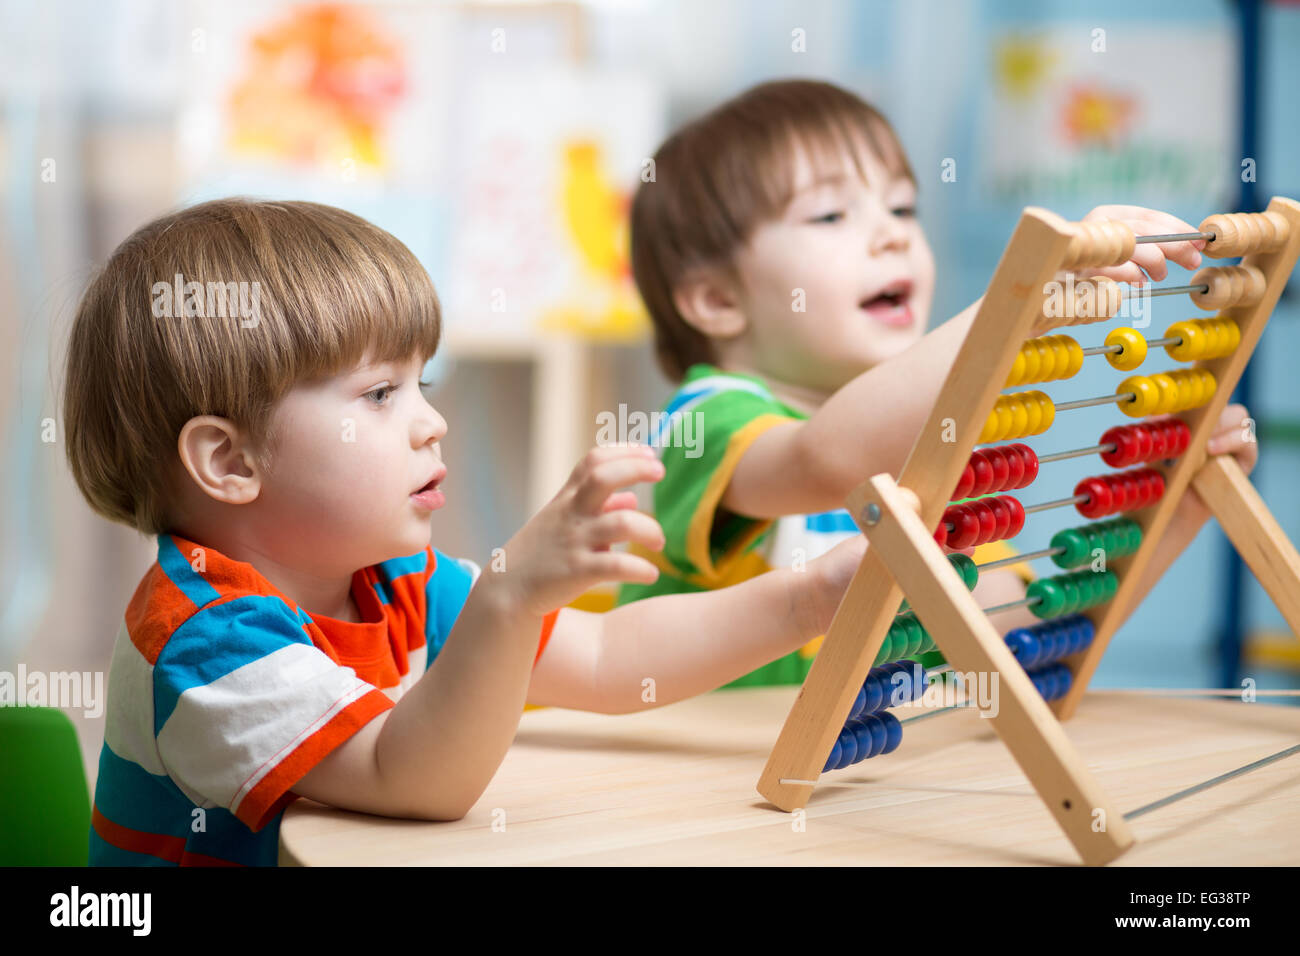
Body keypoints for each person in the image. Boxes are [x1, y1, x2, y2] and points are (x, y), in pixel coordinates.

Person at [64, 197, 869, 866]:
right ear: (229, 459)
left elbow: (609, 657)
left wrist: (807, 600)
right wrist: (510, 597)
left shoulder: (393, 579)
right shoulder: (205, 639)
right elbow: (411, 777)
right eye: (380, 394)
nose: (432, 423)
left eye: (426, 383)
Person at [615, 79, 1257, 686]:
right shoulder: (702, 423)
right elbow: (826, 458)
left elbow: (1028, 636)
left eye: (902, 206)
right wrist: (1020, 305)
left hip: (868, 792)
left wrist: (1173, 510)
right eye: (831, 216)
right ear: (717, 299)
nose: (892, 234)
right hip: (702, 788)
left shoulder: (931, 456)